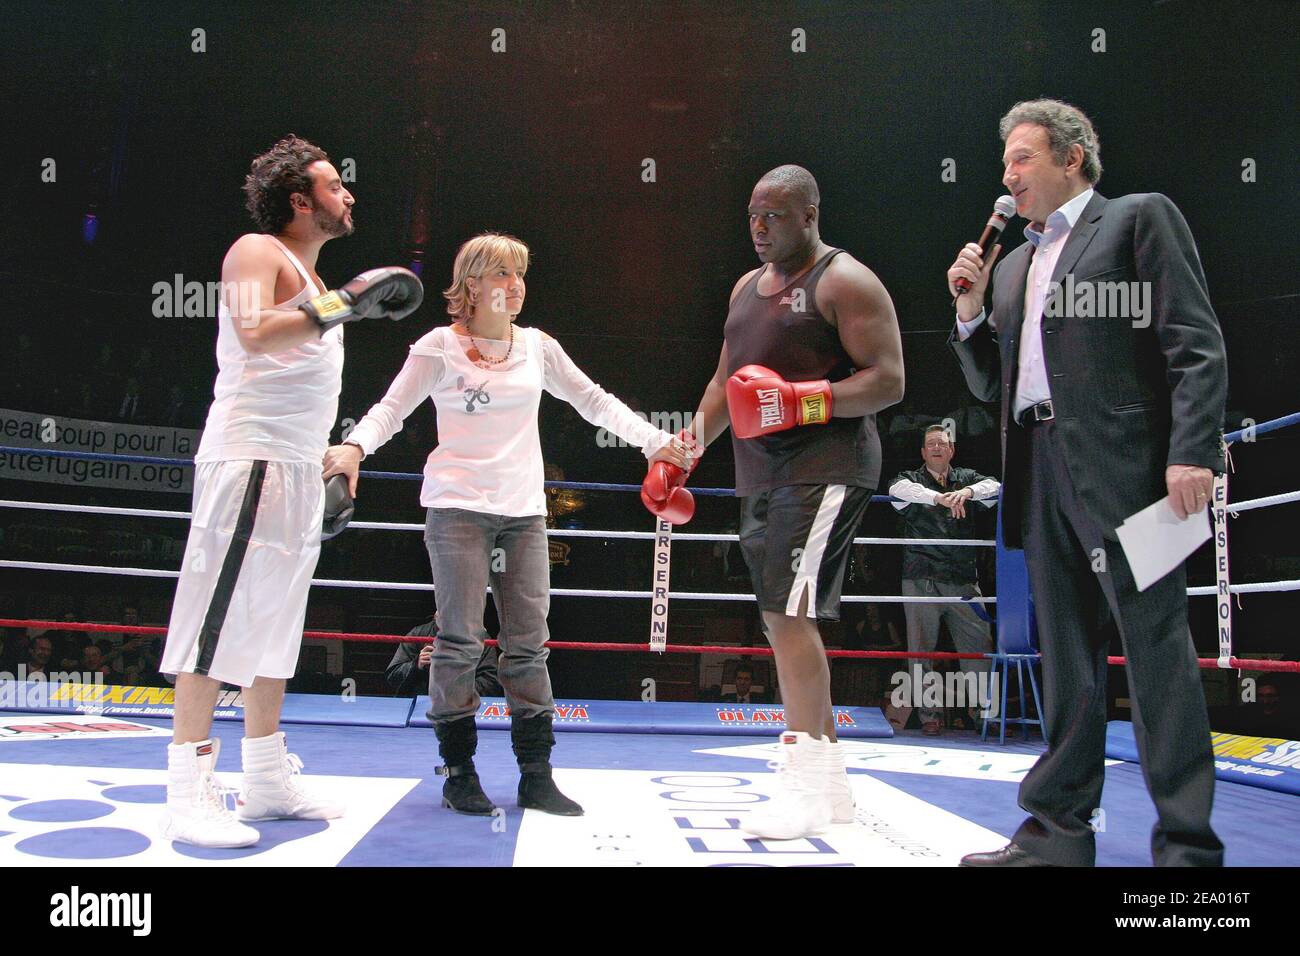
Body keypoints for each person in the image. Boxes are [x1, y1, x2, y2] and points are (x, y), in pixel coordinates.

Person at [947, 100, 1227, 867]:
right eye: (1004, 163)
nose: (1007, 177)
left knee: (1158, 655)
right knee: (1065, 660)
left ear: (1072, 158)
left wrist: (1192, 449)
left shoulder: (1136, 219)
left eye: (1022, 159)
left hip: (1133, 471)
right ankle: (1057, 840)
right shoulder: (1010, 267)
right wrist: (970, 314)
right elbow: (987, 387)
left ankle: (1188, 857)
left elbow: (1194, 341)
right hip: (1037, 471)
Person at [324, 232, 690, 817]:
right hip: (457, 508)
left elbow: (592, 400)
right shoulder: (438, 347)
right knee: (459, 639)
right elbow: (390, 410)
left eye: (520, 275)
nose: (517, 287)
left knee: (528, 643)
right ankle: (459, 771)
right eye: (503, 275)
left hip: (523, 511)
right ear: (472, 285)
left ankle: (537, 775)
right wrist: (353, 448)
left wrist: (655, 442)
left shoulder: (537, 346)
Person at [158, 135, 423, 848]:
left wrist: (335, 457)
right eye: (336, 185)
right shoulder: (255, 250)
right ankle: (187, 789)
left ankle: (267, 778)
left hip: (298, 469)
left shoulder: (311, 282)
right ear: (300, 200)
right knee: (217, 624)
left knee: (276, 625)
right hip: (249, 462)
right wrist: (342, 304)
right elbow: (252, 333)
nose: (350, 194)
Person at [686, 165, 904, 839]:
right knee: (783, 612)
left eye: (774, 216)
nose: (759, 228)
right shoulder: (745, 288)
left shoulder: (844, 281)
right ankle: (831, 790)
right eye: (753, 215)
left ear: (809, 215)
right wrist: (687, 448)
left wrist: (806, 400)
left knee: (787, 613)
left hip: (827, 463)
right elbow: (726, 380)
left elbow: (890, 380)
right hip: (761, 471)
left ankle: (804, 788)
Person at [888, 424, 1001, 734]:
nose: (937, 447)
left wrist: (965, 492)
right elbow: (896, 491)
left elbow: (996, 486)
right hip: (921, 576)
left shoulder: (966, 478)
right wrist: (939, 499)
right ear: (924, 452)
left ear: (951, 450)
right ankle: (929, 717)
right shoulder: (910, 480)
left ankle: (982, 714)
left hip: (963, 577)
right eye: (931, 443)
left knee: (978, 646)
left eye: (943, 443)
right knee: (920, 650)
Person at [384, 620, 503, 699]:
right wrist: (416, 665)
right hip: (418, 704)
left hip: (462, 708)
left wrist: (456, 686)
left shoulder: (480, 640)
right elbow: (392, 677)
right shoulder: (418, 634)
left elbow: (491, 683)